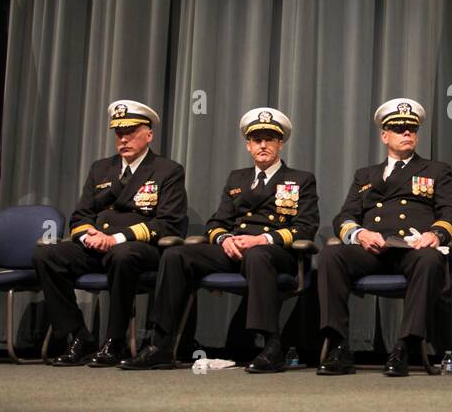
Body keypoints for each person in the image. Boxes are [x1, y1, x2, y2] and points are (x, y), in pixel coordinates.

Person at [121, 107, 319, 373]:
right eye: (256, 140)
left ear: (280, 143)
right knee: (176, 254)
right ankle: (162, 344)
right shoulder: (237, 178)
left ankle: (271, 346)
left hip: (273, 253)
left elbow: (306, 228)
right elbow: (217, 222)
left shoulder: (300, 179)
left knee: (257, 254)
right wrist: (225, 238)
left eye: (269, 139)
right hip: (234, 249)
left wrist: (261, 239)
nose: (263, 145)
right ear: (248, 145)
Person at [33, 100, 188, 367]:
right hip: (98, 245)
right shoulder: (101, 168)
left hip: (140, 248)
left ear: (148, 135)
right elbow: (80, 215)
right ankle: (80, 338)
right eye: (119, 133)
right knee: (46, 255)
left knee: (123, 255)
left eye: (130, 132)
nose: (123, 139)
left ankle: (114, 342)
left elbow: (169, 223)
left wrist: (115, 238)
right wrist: (87, 235)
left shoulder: (167, 170)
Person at [317, 98, 452, 377]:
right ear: (385, 135)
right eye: (398, 128)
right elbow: (344, 216)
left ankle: (404, 346)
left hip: (412, 249)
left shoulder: (435, 170)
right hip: (373, 250)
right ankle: (338, 346)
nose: (407, 133)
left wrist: (436, 233)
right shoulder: (366, 175)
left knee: (430, 260)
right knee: (331, 254)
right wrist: (359, 233)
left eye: (411, 128)